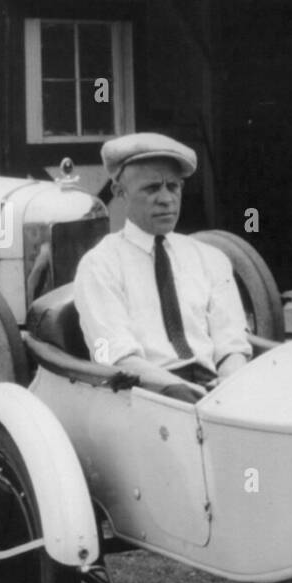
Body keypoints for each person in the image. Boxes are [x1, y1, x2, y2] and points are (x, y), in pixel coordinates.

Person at [74, 132, 251, 394]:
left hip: (215, 390)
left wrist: (228, 385)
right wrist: (181, 390)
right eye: (152, 188)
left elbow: (232, 344)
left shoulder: (210, 258)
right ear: (119, 192)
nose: (166, 199)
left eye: (173, 186)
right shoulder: (100, 265)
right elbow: (118, 357)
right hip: (145, 393)